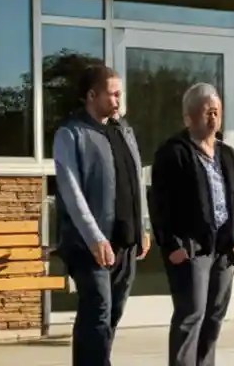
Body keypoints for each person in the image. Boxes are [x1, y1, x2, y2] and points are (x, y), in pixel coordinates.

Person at [53, 64, 151, 366]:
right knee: (97, 311)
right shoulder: (71, 134)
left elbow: (137, 179)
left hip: (125, 240)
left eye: (120, 94)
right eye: (113, 93)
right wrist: (95, 238)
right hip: (89, 246)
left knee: (111, 314)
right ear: (91, 95)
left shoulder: (124, 131)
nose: (119, 100)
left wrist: (143, 226)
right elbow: (71, 192)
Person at [150, 83, 234, 366]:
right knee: (190, 316)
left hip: (225, 248)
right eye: (208, 112)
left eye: (217, 112)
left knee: (214, 316)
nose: (214, 118)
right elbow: (159, 205)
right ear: (188, 117)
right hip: (191, 249)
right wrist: (170, 245)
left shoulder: (228, 154)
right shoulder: (173, 153)